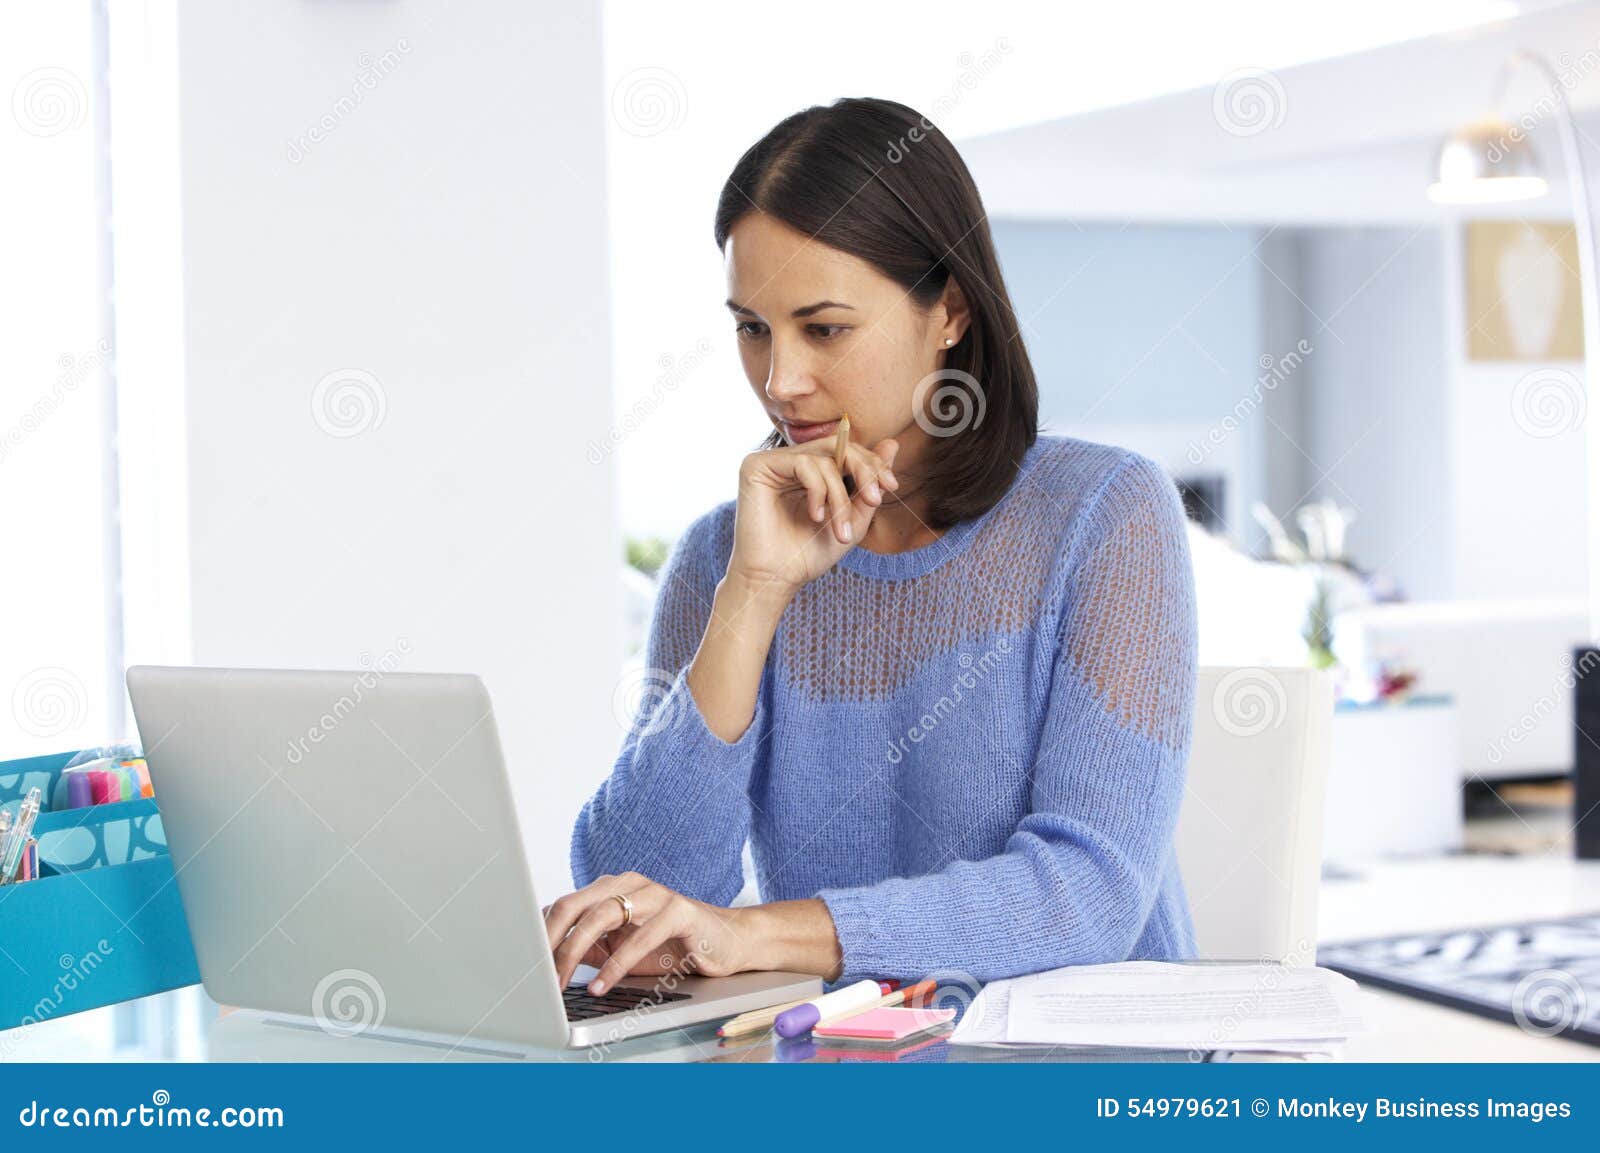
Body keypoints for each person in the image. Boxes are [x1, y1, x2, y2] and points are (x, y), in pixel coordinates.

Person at [546, 97, 1198, 996]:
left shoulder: (1102, 515)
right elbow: (632, 902)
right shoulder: (725, 555)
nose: (780, 381)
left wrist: (753, 934)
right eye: (751, 327)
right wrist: (754, 593)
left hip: (1087, 1069)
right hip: (856, 1065)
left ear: (952, 311)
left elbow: (1088, 895)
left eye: (825, 328)